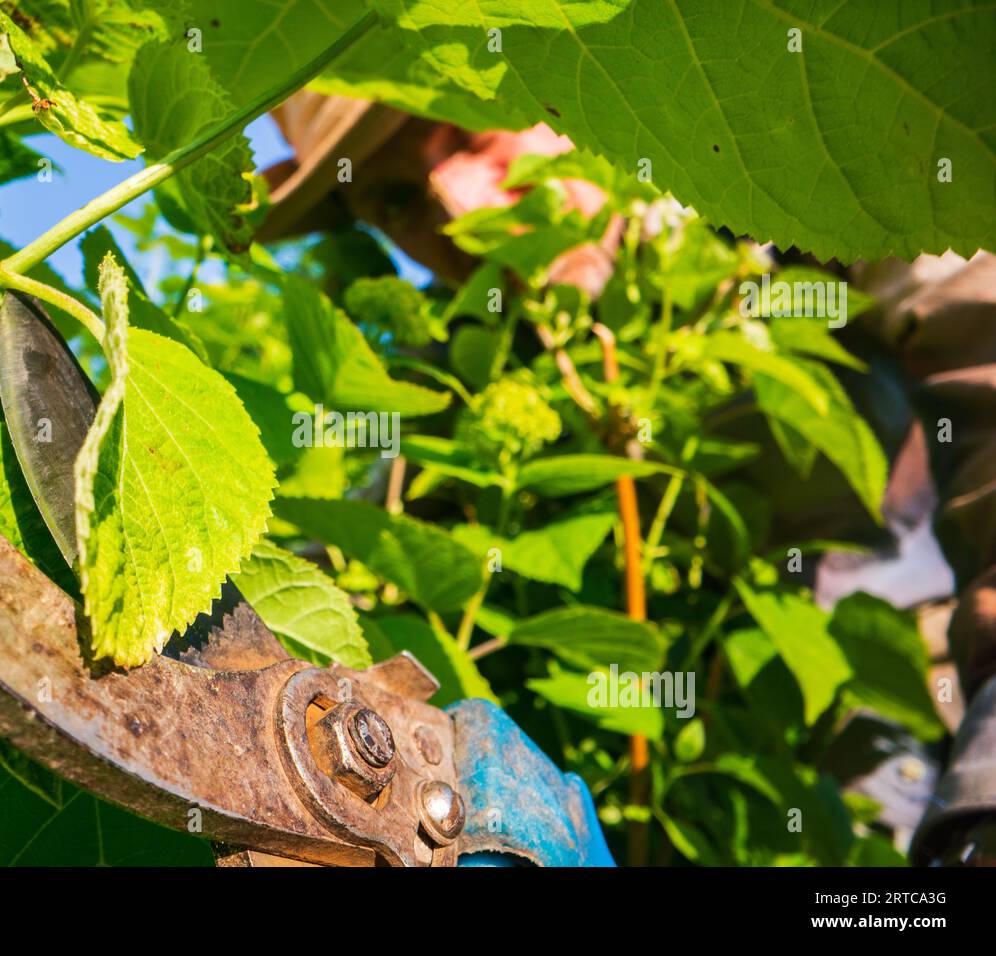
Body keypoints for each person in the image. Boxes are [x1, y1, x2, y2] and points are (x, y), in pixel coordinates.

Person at [257, 91, 996, 865]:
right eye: (399, 199)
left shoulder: (792, 204)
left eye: (472, 134)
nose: (464, 208)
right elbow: (345, 570)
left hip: (916, 721)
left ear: (571, 100)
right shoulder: (458, 398)